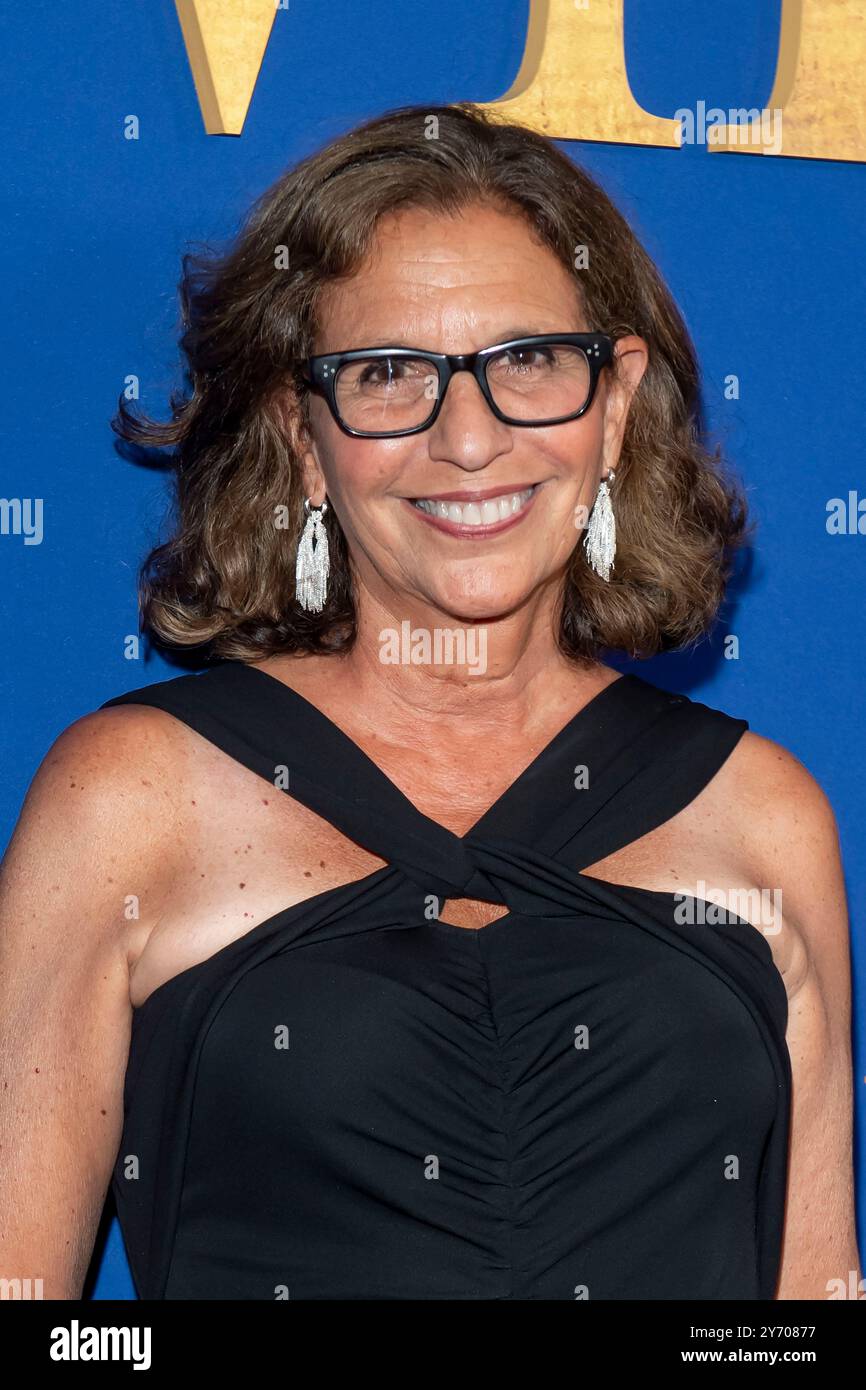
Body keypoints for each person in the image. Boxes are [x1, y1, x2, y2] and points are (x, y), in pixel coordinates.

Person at [0, 101, 860, 1301]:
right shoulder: (130, 801)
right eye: (388, 373)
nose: (468, 437)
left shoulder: (763, 818)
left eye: (527, 363)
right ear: (306, 438)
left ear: (611, 409)